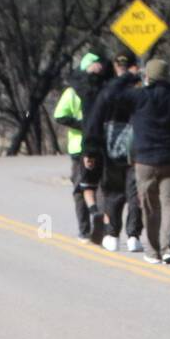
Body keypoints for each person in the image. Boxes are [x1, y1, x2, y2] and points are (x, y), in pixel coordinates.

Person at [85, 57, 170, 263]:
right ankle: (168, 248)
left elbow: (109, 95)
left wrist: (127, 76)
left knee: (150, 207)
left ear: (147, 76)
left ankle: (153, 252)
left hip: (145, 160)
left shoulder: (140, 97)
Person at [54, 51, 112, 241]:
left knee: (87, 188)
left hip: (93, 144)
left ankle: (94, 228)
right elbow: (60, 115)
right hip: (81, 145)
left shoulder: (103, 89)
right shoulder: (72, 92)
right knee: (92, 187)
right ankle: (88, 228)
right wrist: (84, 125)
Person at [94, 53, 145, 252]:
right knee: (134, 192)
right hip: (136, 146)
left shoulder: (108, 89)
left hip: (112, 144)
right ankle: (133, 235)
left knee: (113, 192)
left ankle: (113, 234)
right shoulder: (140, 89)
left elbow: (97, 116)